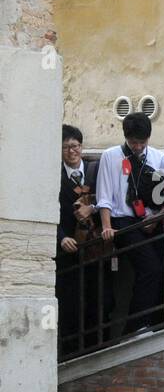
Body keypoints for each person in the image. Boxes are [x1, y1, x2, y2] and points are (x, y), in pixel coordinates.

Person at [96, 112, 164, 334]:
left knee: (158, 271)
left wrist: (156, 217)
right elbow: (104, 196)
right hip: (123, 222)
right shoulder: (110, 156)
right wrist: (106, 226)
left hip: (152, 219)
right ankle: (135, 327)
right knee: (150, 268)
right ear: (126, 137)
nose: (138, 147)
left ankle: (154, 324)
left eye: (142, 142)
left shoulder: (158, 158)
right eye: (133, 142)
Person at [56, 124, 104, 352]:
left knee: (99, 299)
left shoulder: (96, 171)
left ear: (81, 147)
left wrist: (92, 209)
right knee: (69, 303)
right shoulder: (52, 176)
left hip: (95, 247)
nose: (70, 151)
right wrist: (61, 237)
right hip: (68, 249)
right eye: (65, 147)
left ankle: (96, 349)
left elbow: (110, 200)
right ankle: (69, 352)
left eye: (74, 145)